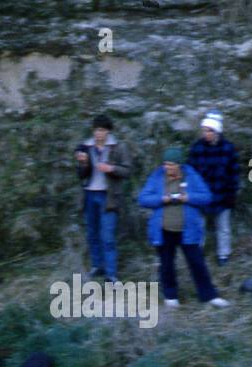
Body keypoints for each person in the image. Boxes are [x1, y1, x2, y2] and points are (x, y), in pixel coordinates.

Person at [138, 147, 230, 308]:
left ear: (179, 164)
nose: (167, 168)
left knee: (197, 262)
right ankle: (171, 296)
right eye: (165, 164)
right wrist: (162, 199)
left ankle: (209, 295)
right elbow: (143, 198)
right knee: (166, 263)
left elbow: (206, 197)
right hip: (164, 229)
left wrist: (188, 197)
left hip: (188, 230)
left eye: (171, 165)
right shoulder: (157, 176)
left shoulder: (191, 176)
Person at [75, 114, 132, 283]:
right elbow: (80, 175)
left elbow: (127, 171)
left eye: (101, 130)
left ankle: (111, 273)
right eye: (96, 130)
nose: (98, 134)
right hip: (89, 195)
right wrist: (83, 163)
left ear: (108, 131)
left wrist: (111, 168)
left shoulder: (118, 147)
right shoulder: (86, 146)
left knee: (107, 236)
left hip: (109, 197)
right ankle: (97, 265)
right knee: (92, 233)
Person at [187, 111, 241, 265]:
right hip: (202, 195)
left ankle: (223, 254)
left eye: (208, 130)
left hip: (222, 194)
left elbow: (234, 172)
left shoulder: (228, 148)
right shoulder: (196, 148)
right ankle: (197, 252)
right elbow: (190, 173)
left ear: (216, 131)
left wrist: (232, 194)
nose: (205, 133)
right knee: (199, 226)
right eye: (204, 130)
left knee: (223, 228)